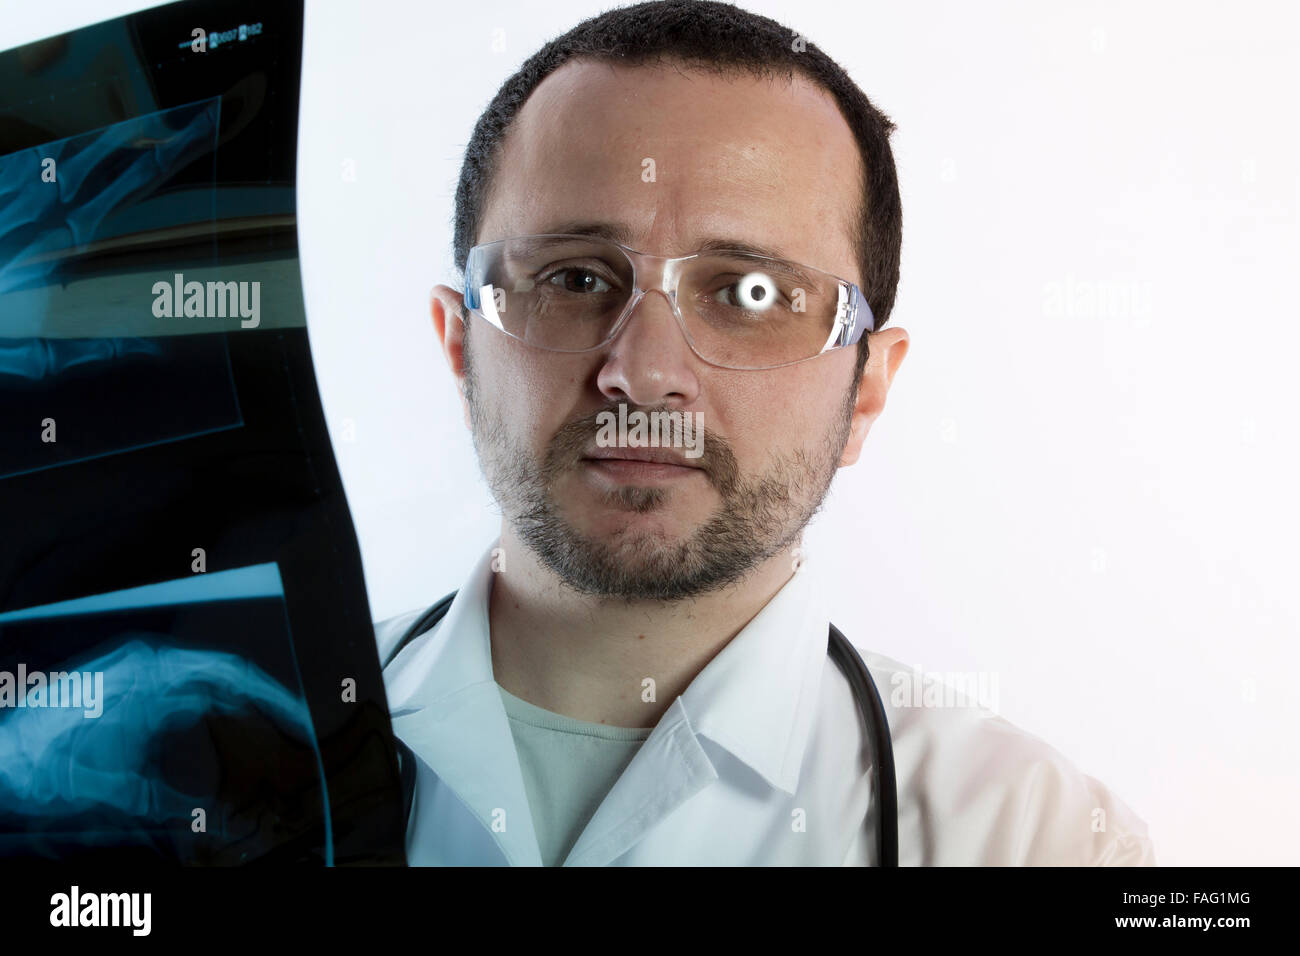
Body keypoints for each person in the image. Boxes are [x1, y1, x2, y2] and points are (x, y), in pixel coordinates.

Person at [376, 0, 1156, 866]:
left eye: (750, 292)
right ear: (460, 350)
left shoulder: (1035, 841)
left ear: (866, 391)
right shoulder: (237, 749)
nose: (642, 372)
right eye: (573, 275)